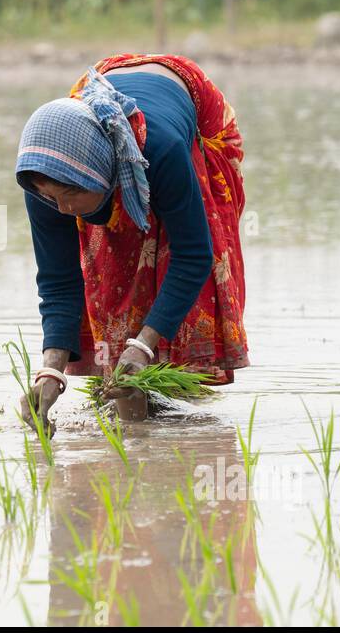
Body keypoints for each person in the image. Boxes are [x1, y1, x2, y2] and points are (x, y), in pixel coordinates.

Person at [15, 53, 248, 433]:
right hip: (96, 108)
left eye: (72, 194)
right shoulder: (46, 176)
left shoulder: (166, 152)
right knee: (110, 271)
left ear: (102, 171)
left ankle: (158, 379)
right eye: (53, 198)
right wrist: (50, 371)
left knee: (175, 249)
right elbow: (59, 279)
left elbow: (194, 256)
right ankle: (132, 398)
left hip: (189, 110)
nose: (63, 209)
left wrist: (144, 345)